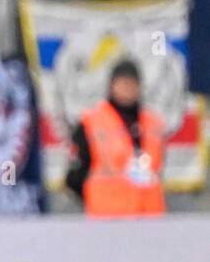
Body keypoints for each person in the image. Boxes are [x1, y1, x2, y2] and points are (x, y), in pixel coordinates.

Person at [65, 60, 166, 218]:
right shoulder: (91, 122)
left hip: (149, 216)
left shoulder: (153, 123)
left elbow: (158, 168)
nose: (127, 88)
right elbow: (74, 177)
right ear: (111, 85)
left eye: (132, 83)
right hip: (108, 218)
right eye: (123, 83)